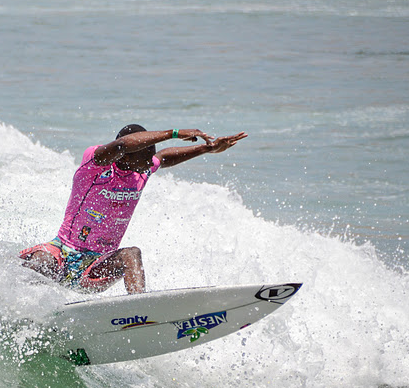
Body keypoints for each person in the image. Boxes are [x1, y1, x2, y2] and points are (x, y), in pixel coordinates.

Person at [19, 124, 247, 294]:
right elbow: (122, 144)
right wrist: (173, 133)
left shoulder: (142, 171)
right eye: (145, 155)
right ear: (125, 155)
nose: (151, 162)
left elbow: (164, 157)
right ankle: (22, 307)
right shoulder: (95, 164)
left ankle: (138, 312)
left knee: (132, 254)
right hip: (62, 251)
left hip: (96, 267)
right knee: (42, 262)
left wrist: (206, 149)